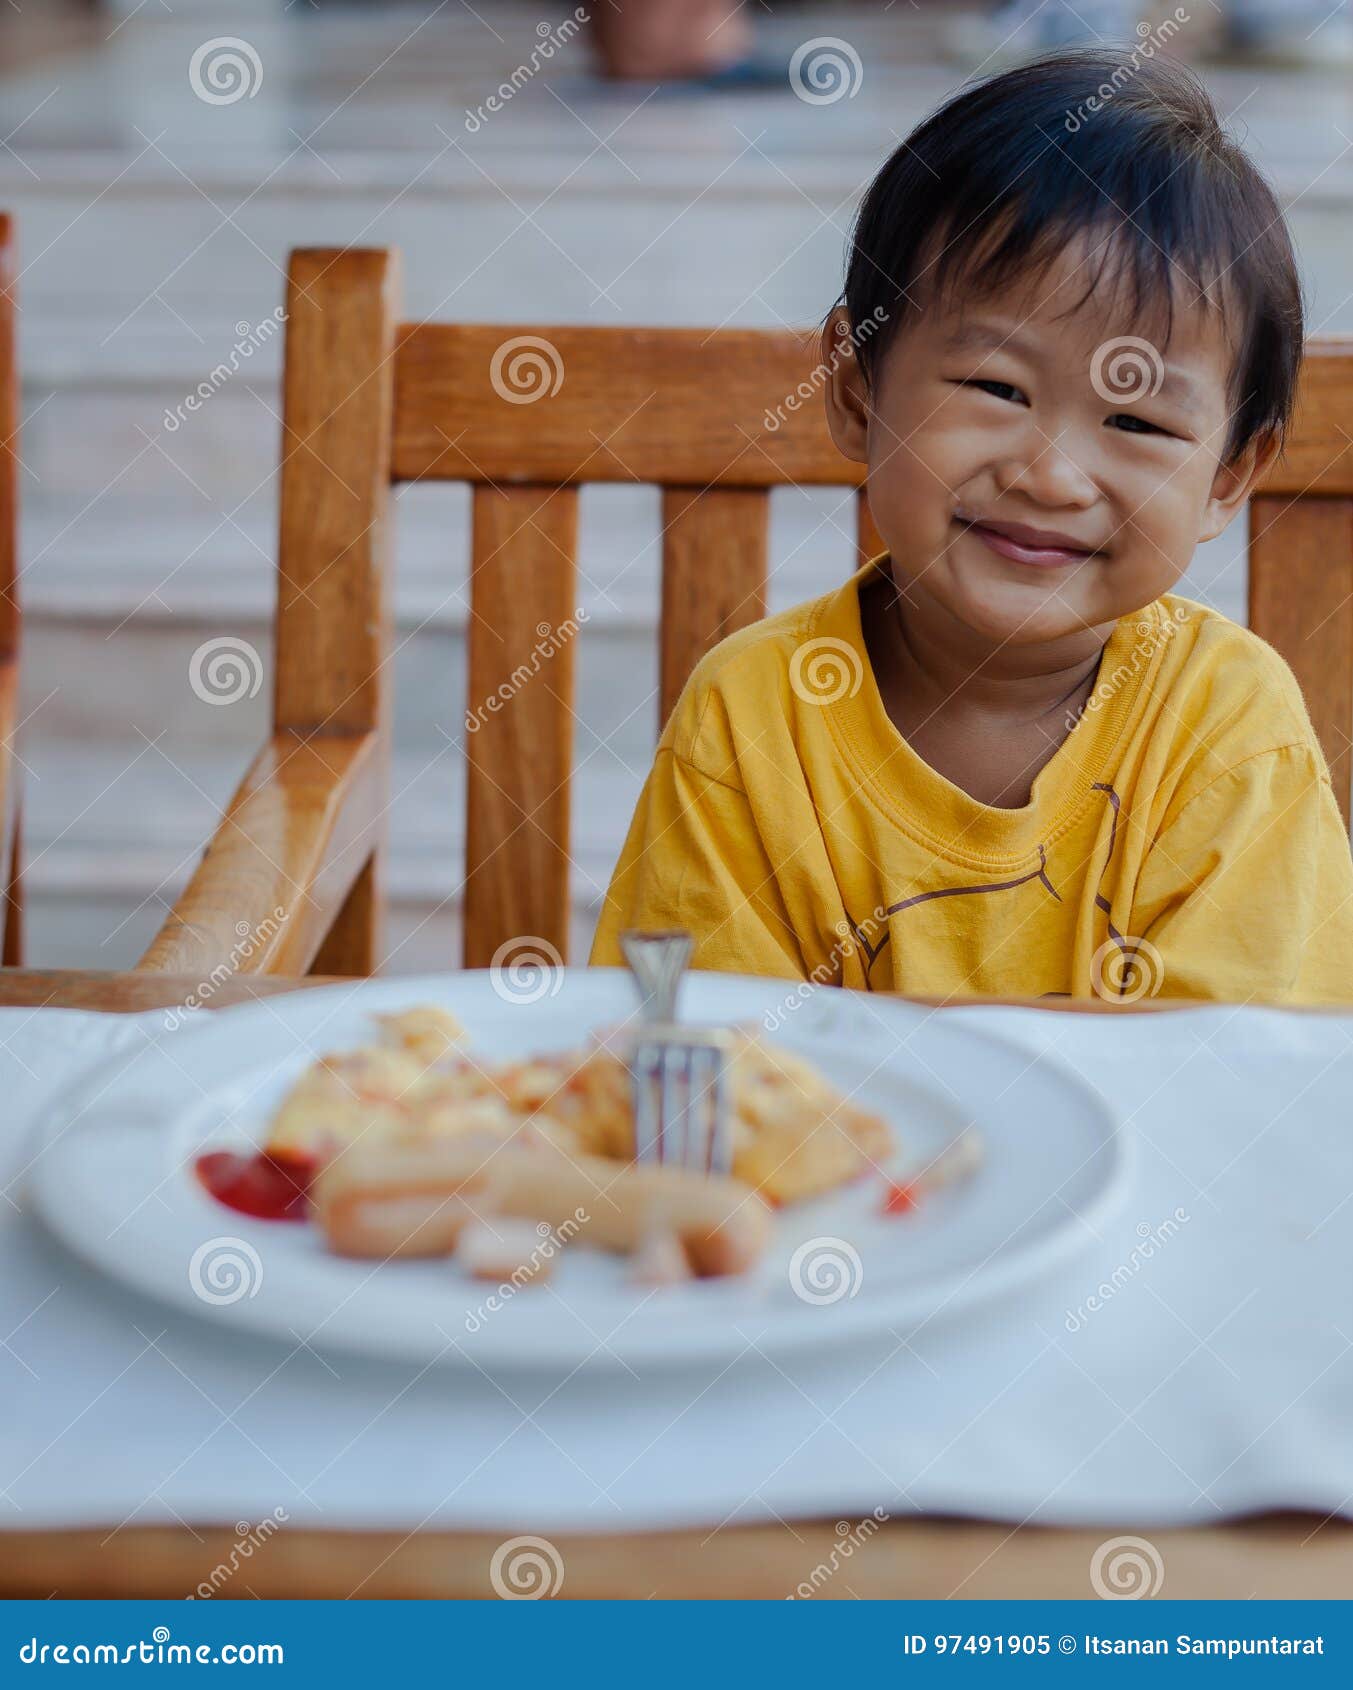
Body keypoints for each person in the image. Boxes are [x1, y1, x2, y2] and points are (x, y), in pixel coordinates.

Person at [590, 49, 1353, 1003]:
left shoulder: (1226, 729)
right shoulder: (754, 720)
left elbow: (1228, 1085)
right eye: (996, 387)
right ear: (858, 388)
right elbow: (703, 1066)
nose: (1049, 475)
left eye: (1139, 423)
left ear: (1227, 476)